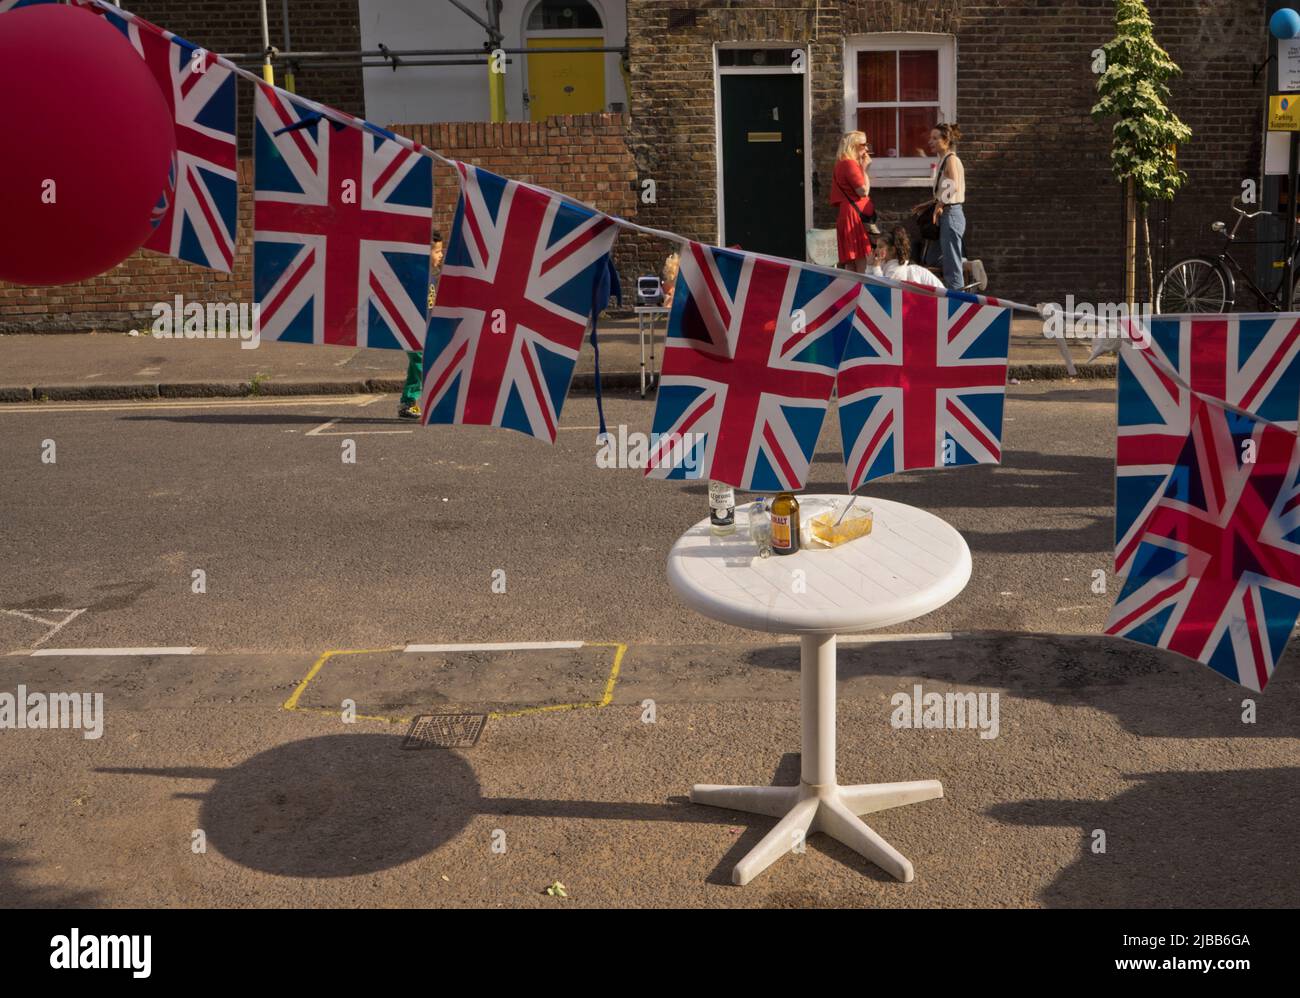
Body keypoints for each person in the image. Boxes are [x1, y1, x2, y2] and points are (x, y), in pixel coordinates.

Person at [399, 230, 443, 420]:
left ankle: (408, 402)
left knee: (417, 365)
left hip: (423, 330)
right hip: (413, 329)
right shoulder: (417, 276)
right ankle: (429, 400)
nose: (441, 255)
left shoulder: (429, 276)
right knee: (422, 364)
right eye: (437, 251)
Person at [920, 122, 966, 291]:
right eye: (930, 138)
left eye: (935, 138)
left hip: (951, 214)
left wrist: (940, 203)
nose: (930, 142)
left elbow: (953, 184)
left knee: (951, 266)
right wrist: (929, 204)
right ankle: (967, 264)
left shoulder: (951, 159)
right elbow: (947, 188)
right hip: (945, 213)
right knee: (932, 259)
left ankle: (958, 302)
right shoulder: (943, 160)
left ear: (946, 140)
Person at [830, 131, 875, 273]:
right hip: (854, 216)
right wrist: (864, 168)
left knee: (851, 260)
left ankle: (853, 291)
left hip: (848, 213)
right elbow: (863, 191)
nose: (867, 149)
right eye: (863, 145)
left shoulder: (841, 163)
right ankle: (861, 290)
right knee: (861, 258)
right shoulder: (849, 164)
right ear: (853, 145)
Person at [875, 225, 942, 289]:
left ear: (892, 250)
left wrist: (876, 267)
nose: (876, 250)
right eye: (876, 246)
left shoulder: (897, 268)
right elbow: (871, 285)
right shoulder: (883, 263)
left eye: (880, 247)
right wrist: (870, 266)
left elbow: (884, 289)